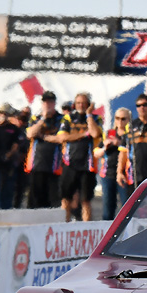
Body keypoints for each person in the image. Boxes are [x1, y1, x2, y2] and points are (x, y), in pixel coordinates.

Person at [58, 92, 101, 222]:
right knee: (66, 198)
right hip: (69, 163)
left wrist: (88, 115)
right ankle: (64, 225)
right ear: (74, 104)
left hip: (87, 166)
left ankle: (86, 227)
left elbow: (94, 134)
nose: (81, 105)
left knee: (86, 200)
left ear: (88, 104)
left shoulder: (95, 118)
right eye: (78, 103)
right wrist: (82, 135)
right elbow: (62, 137)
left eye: (84, 103)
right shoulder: (68, 118)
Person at [25, 91, 64, 209]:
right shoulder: (36, 118)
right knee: (35, 200)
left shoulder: (61, 119)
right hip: (36, 164)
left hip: (54, 165)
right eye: (46, 102)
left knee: (52, 201)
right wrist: (43, 119)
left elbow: (61, 138)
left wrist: (43, 136)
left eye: (51, 102)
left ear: (54, 103)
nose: (48, 105)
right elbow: (30, 134)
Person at [94, 110, 129, 221]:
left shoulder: (131, 134)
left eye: (123, 119)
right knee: (108, 208)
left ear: (128, 120)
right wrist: (105, 147)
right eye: (117, 118)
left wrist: (119, 144)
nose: (120, 121)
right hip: (108, 174)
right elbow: (96, 153)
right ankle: (107, 234)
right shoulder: (109, 133)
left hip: (125, 174)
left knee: (126, 207)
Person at [0, 104, 23, 209]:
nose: (4, 116)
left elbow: (16, 144)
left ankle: (6, 210)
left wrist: (9, 154)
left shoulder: (14, 129)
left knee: (7, 190)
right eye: (2, 113)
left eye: (6, 114)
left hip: (9, 163)